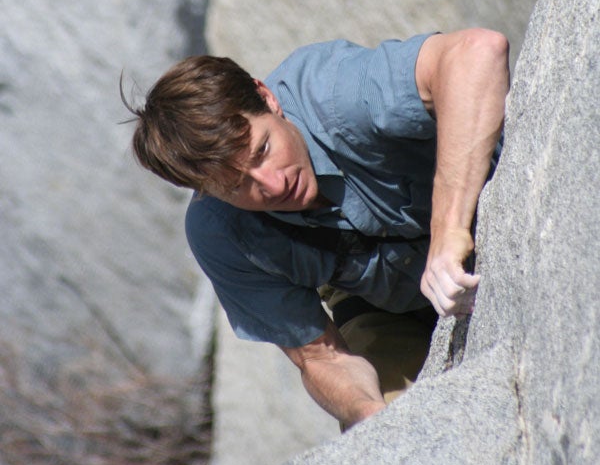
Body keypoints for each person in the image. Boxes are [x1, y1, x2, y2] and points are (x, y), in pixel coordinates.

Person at [123, 29, 509, 429]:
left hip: (484, 211)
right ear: (208, 192)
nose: (272, 185)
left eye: (263, 151)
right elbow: (319, 356)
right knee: (388, 431)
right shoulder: (220, 234)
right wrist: (368, 415)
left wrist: (448, 232)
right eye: (239, 186)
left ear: (267, 98)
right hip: (382, 304)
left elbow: (478, 52)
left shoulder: (331, 93)